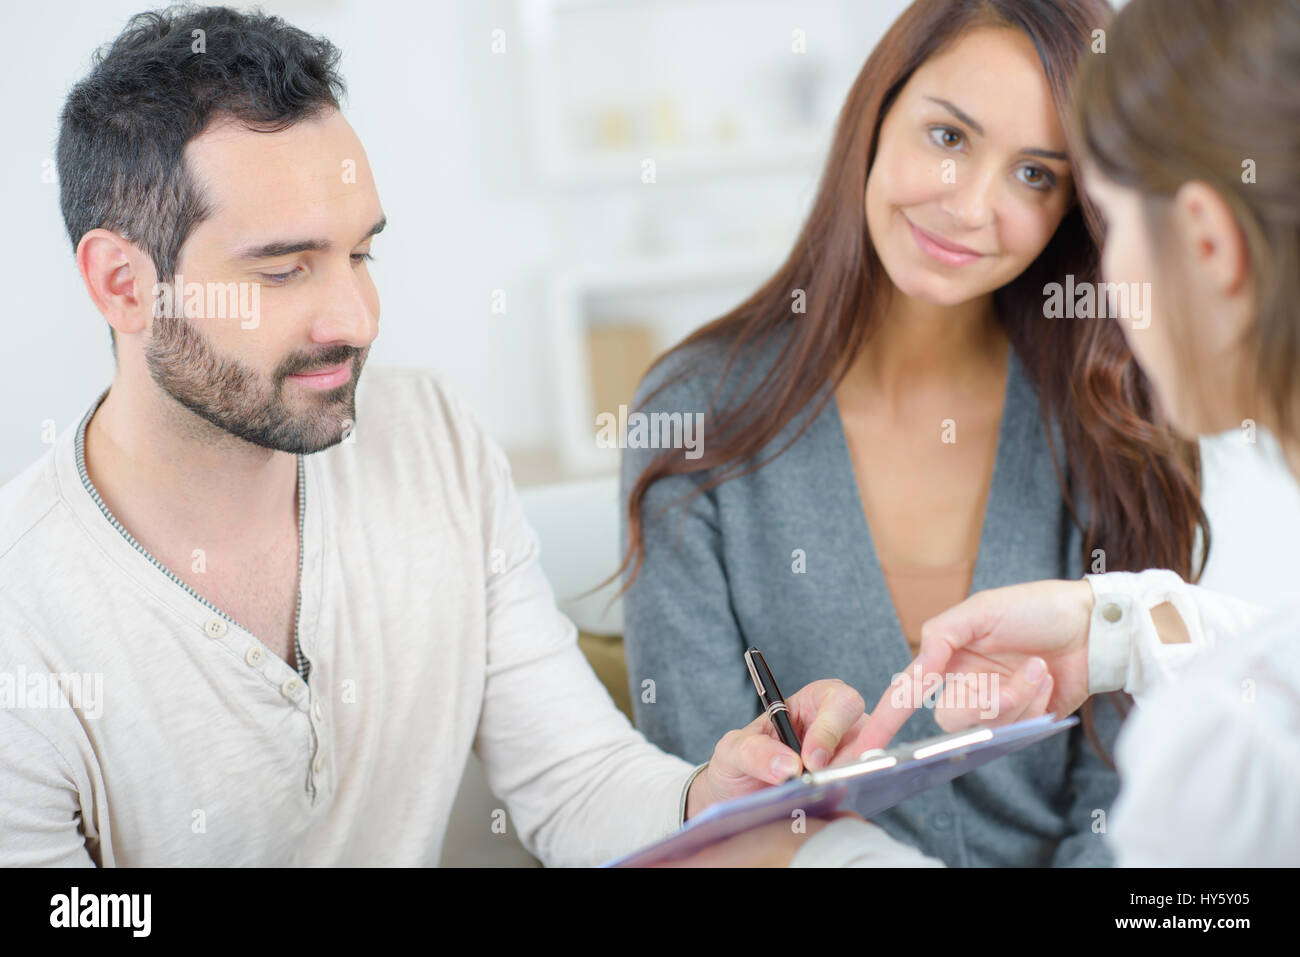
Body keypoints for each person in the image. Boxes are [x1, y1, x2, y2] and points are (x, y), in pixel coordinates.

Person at [0, 5, 870, 867]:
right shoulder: (22, 621)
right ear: (123, 284)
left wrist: (711, 798)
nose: (358, 317)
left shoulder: (432, 441)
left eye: (361, 254)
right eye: (282, 268)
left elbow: (576, 783)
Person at [618, 0, 1206, 867]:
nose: (970, 206)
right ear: (878, 114)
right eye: (949, 137)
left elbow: (1135, 789)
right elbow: (701, 801)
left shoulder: (1112, 412)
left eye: (1036, 175)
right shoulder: (694, 413)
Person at [818, 0, 1300, 867]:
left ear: (1207, 242)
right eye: (949, 136)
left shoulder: (1230, 756)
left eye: (1098, 214)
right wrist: (1117, 630)